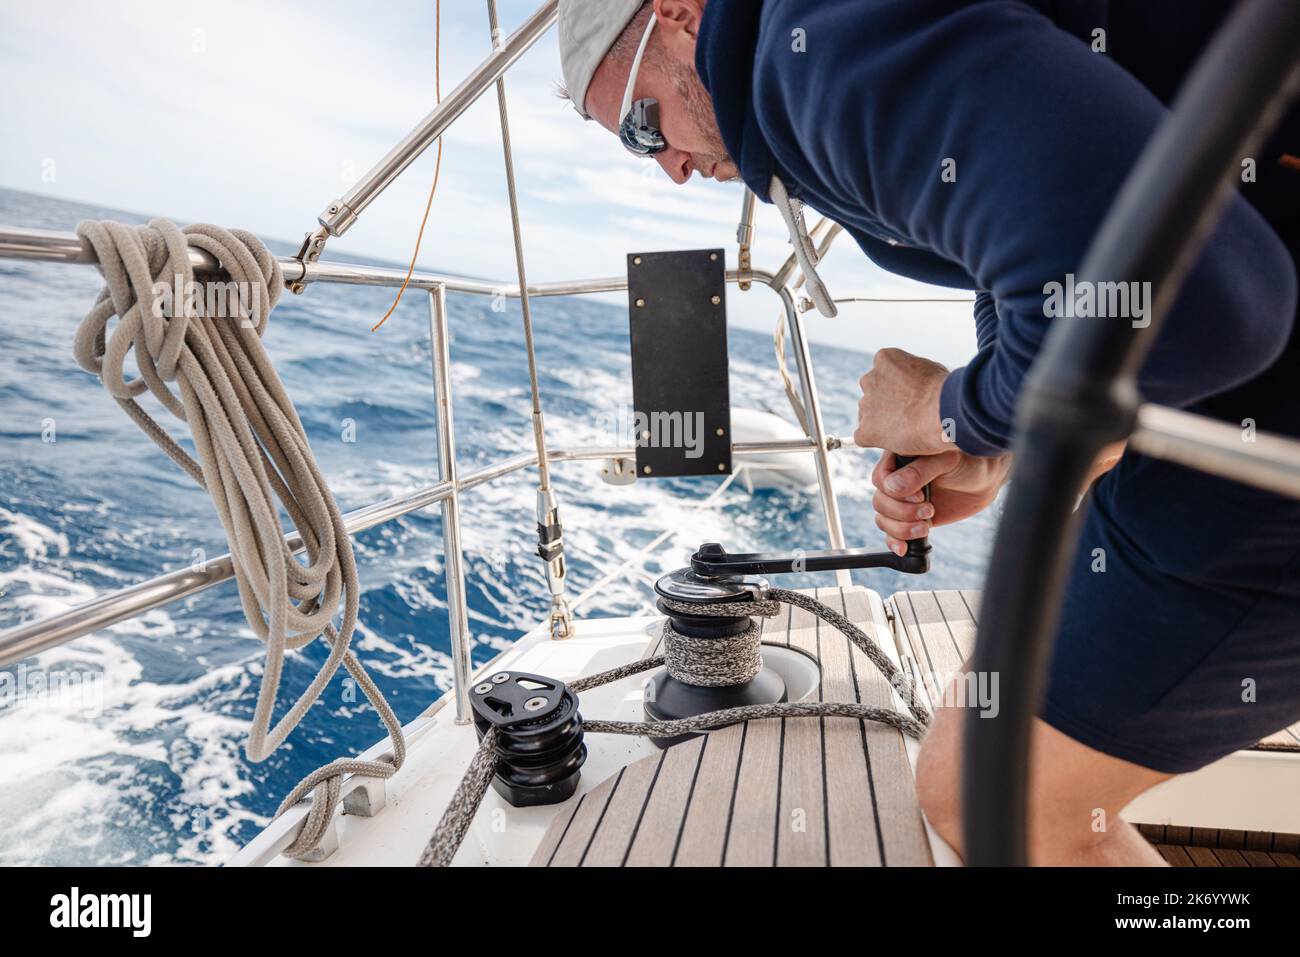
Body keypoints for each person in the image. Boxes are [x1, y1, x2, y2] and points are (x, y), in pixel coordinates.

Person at [558, 0, 1300, 865]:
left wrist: (951, 407)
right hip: (1241, 390)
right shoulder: (818, 49)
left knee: (982, 793)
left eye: (644, 125)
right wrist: (994, 442)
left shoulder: (811, 60)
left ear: (681, 15)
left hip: (1264, 420)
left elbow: (1208, 308)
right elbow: (1038, 236)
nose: (671, 167)